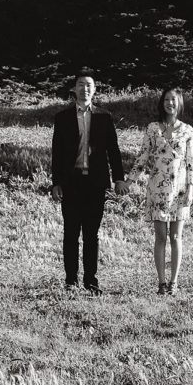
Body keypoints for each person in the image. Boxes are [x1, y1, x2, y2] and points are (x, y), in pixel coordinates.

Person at [50, 70, 124, 294]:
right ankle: (70, 281)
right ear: (74, 88)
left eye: (89, 85)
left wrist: (119, 178)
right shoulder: (62, 118)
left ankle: (91, 282)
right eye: (81, 84)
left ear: (95, 89)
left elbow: (113, 150)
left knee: (92, 234)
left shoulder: (104, 116)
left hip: (95, 183)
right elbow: (58, 153)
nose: (85, 88)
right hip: (71, 183)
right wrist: (56, 183)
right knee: (71, 233)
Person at [125, 86, 193, 295]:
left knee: (176, 237)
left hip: (179, 190)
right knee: (160, 236)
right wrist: (129, 181)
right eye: (166, 100)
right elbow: (142, 157)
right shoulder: (152, 128)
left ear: (179, 103)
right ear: (162, 103)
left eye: (173, 100)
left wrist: (191, 188)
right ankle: (161, 283)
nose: (170, 103)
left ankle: (173, 282)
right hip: (157, 188)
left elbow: (191, 163)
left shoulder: (188, 130)